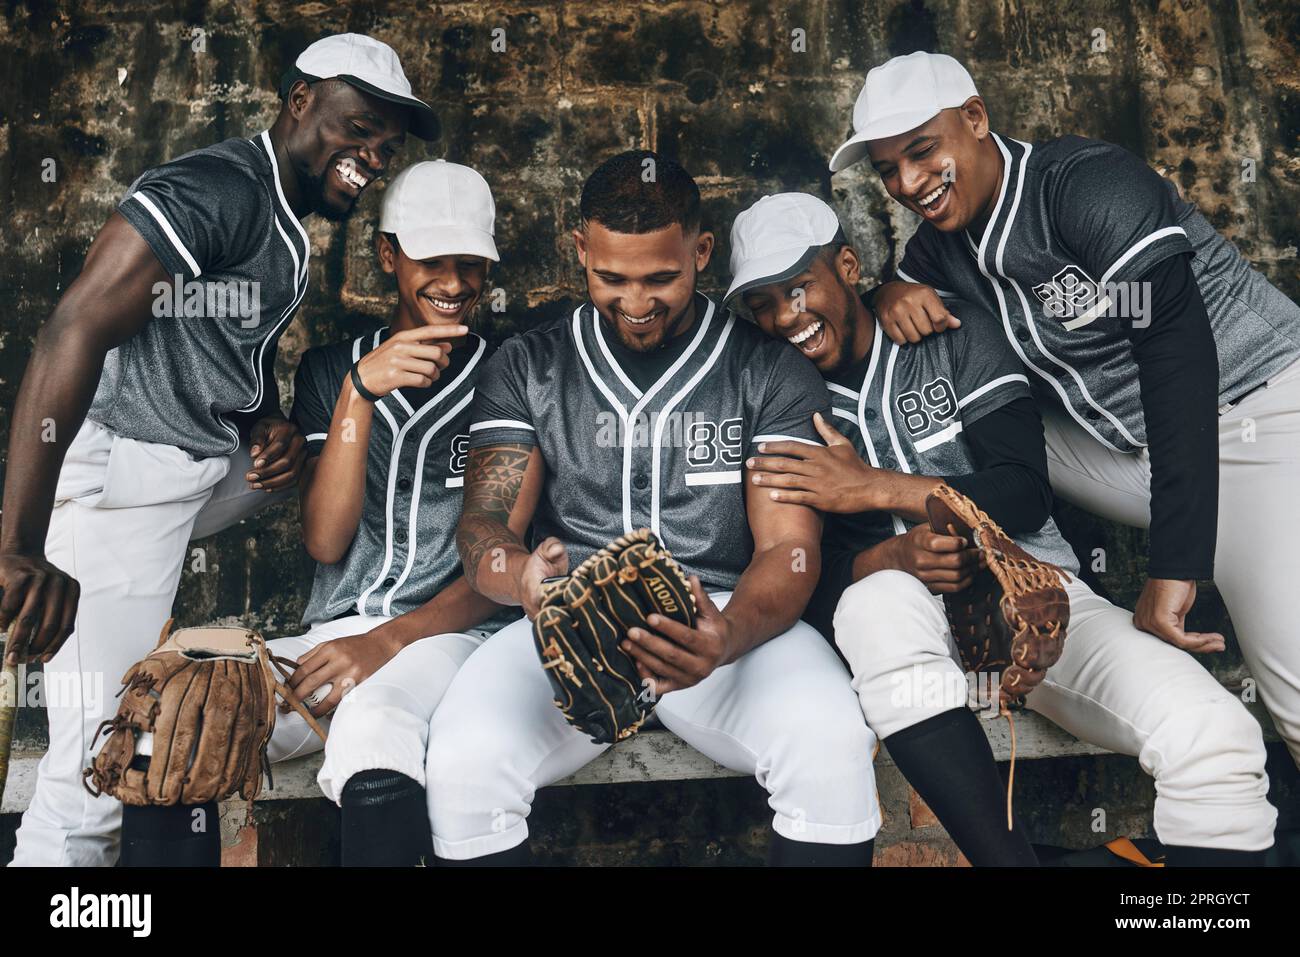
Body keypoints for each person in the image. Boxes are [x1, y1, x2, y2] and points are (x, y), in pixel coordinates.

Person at [731, 191, 1276, 866]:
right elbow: (803, 582)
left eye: (797, 288)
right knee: (876, 601)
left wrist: (875, 486)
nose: (785, 316)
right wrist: (894, 553)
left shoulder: (948, 332)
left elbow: (1022, 487)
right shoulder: (773, 398)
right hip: (908, 642)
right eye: (762, 303)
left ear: (846, 265)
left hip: (1039, 598)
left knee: (1217, 734)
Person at [2, 33, 436, 867]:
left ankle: (395, 626)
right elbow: (74, 327)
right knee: (100, 771)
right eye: (360, 127)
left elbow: (208, 354)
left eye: (387, 145)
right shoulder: (219, 189)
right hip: (123, 485)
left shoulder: (284, 224)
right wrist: (17, 548)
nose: (372, 155)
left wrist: (260, 421)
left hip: (192, 468)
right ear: (300, 101)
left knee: (308, 450)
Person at [829, 51, 1300, 770]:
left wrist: (1175, 564)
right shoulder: (940, 249)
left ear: (977, 119)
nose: (908, 183)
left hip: (1258, 414)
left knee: (1293, 699)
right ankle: (964, 612)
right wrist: (885, 293)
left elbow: (1177, 357)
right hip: (1122, 449)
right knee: (968, 438)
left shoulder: (1083, 182)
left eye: (923, 152)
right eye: (889, 170)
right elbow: (893, 296)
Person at [423, 151, 880, 866]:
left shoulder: (768, 367)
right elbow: (484, 525)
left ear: (701, 252)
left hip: (723, 617)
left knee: (831, 742)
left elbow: (789, 551)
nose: (636, 301)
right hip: (566, 617)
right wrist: (522, 581)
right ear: (580, 250)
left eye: (660, 277)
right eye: (612, 277)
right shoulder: (528, 363)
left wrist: (725, 636)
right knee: (462, 762)